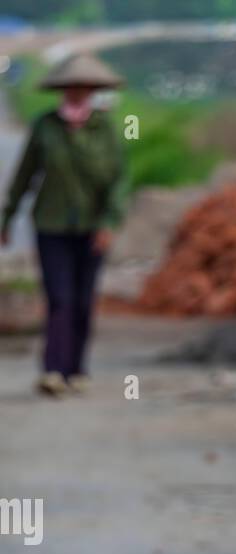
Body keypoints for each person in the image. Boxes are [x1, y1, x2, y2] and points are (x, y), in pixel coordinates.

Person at [1, 52, 128, 397]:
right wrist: (7, 218)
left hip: (92, 228)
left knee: (84, 300)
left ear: (91, 91)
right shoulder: (45, 126)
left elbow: (117, 181)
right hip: (51, 225)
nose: (76, 93)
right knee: (59, 298)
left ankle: (77, 370)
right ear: (62, 90)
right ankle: (53, 370)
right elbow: (24, 175)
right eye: (70, 88)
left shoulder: (105, 129)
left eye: (83, 88)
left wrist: (108, 223)